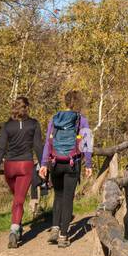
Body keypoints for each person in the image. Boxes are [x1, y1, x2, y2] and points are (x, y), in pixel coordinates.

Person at [40, 90, 93, 247]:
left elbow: (48, 142)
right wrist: (88, 164)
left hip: (55, 162)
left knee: (58, 195)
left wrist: (44, 163)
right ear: (79, 102)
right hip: (72, 163)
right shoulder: (81, 120)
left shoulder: (55, 119)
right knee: (68, 197)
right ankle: (63, 236)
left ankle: (55, 227)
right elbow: (87, 143)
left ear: (65, 102)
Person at [0, 97, 43, 249]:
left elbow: (1, 148)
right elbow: (38, 146)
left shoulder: (7, 125)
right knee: (19, 200)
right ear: (27, 108)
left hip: (9, 166)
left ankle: (17, 226)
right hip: (25, 165)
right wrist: (44, 165)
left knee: (17, 198)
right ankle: (14, 231)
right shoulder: (34, 124)